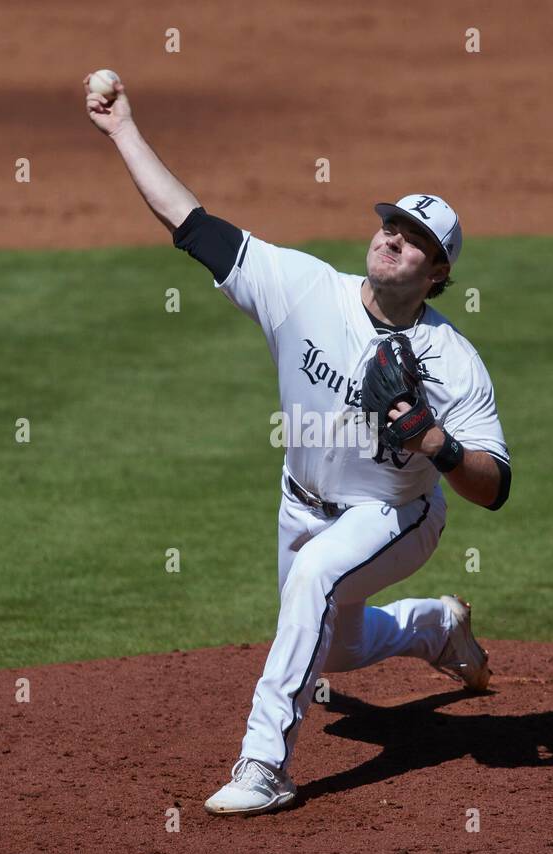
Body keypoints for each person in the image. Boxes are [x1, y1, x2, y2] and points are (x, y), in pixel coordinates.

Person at [84, 73, 512, 816]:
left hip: (395, 515)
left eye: (415, 243)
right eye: (392, 226)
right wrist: (123, 128)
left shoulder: (452, 361)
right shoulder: (307, 288)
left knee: (315, 577)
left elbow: (495, 485)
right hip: (300, 502)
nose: (393, 240)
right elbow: (194, 225)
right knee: (334, 645)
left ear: (437, 273)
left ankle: (263, 765)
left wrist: (436, 443)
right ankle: (438, 626)